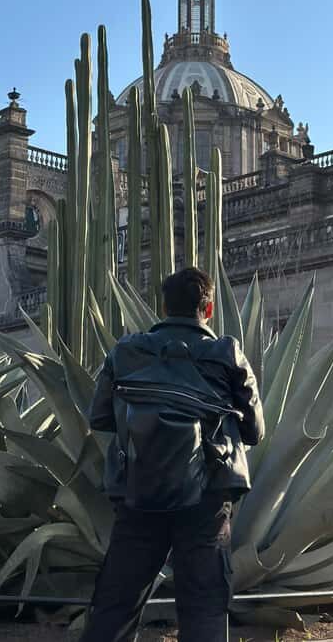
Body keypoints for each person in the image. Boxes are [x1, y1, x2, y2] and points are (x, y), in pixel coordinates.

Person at [81, 266, 264, 642]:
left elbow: (99, 417)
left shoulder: (126, 351)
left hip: (139, 490)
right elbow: (254, 431)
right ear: (208, 310)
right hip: (206, 495)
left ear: (163, 307)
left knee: (117, 601)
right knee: (203, 601)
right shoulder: (226, 353)